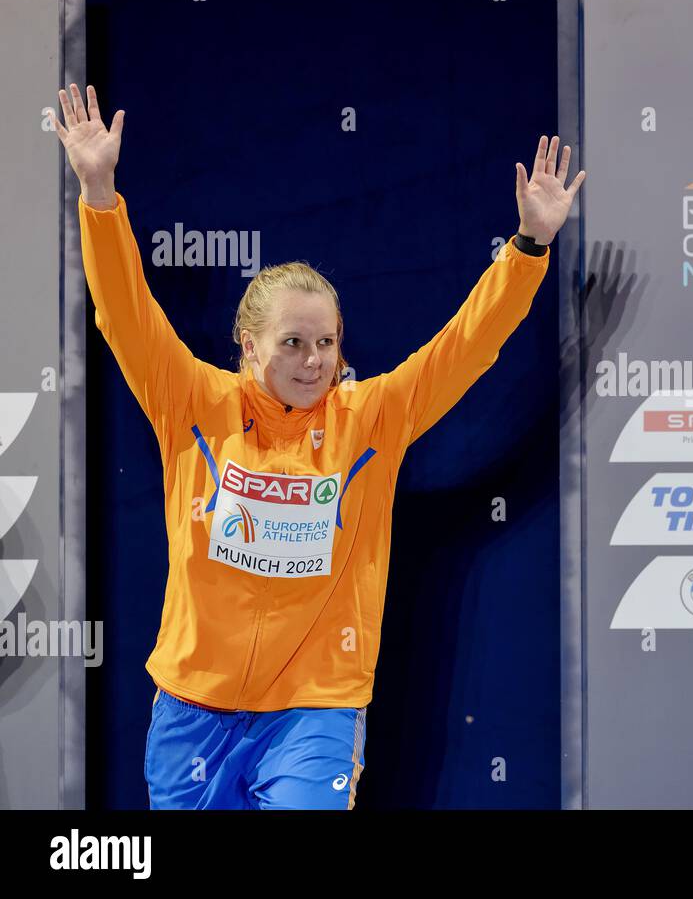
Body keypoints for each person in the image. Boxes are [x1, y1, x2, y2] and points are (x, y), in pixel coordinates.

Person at [50, 82, 586, 809]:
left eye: (327, 343)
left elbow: (465, 347)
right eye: (294, 343)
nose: (314, 360)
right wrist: (100, 196)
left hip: (315, 708)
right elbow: (124, 313)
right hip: (193, 705)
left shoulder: (371, 418)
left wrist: (529, 247)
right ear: (248, 347)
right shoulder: (194, 403)